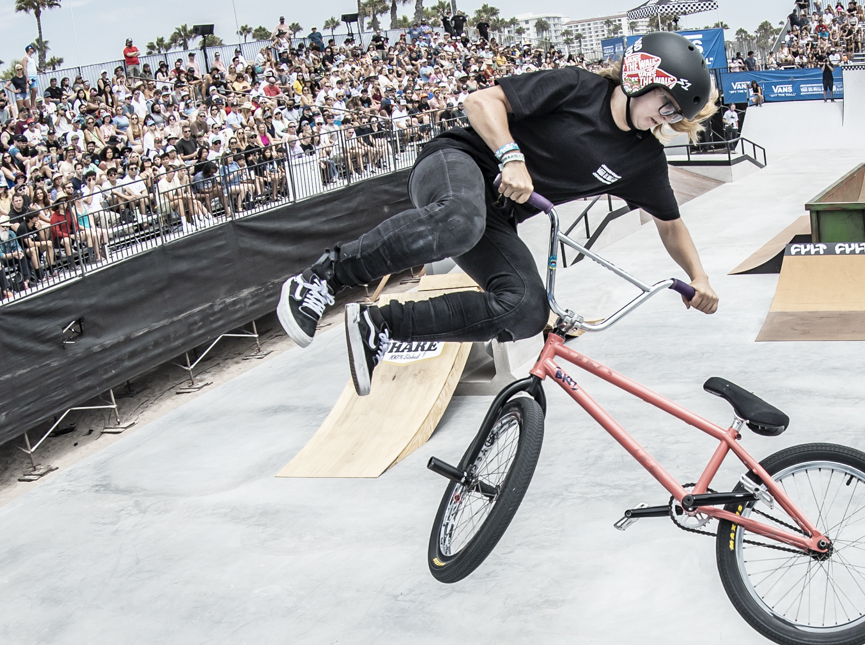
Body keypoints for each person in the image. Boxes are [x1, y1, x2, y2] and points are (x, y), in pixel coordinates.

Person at [275, 31, 721, 396]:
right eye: (667, 107)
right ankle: (323, 277)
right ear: (642, 78)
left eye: (675, 116)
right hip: (456, 163)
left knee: (526, 311)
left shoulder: (641, 160)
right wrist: (511, 156)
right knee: (458, 220)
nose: (664, 121)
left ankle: (380, 327)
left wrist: (698, 278)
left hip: (496, 216)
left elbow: (670, 224)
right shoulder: (578, 87)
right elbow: (480, 103)